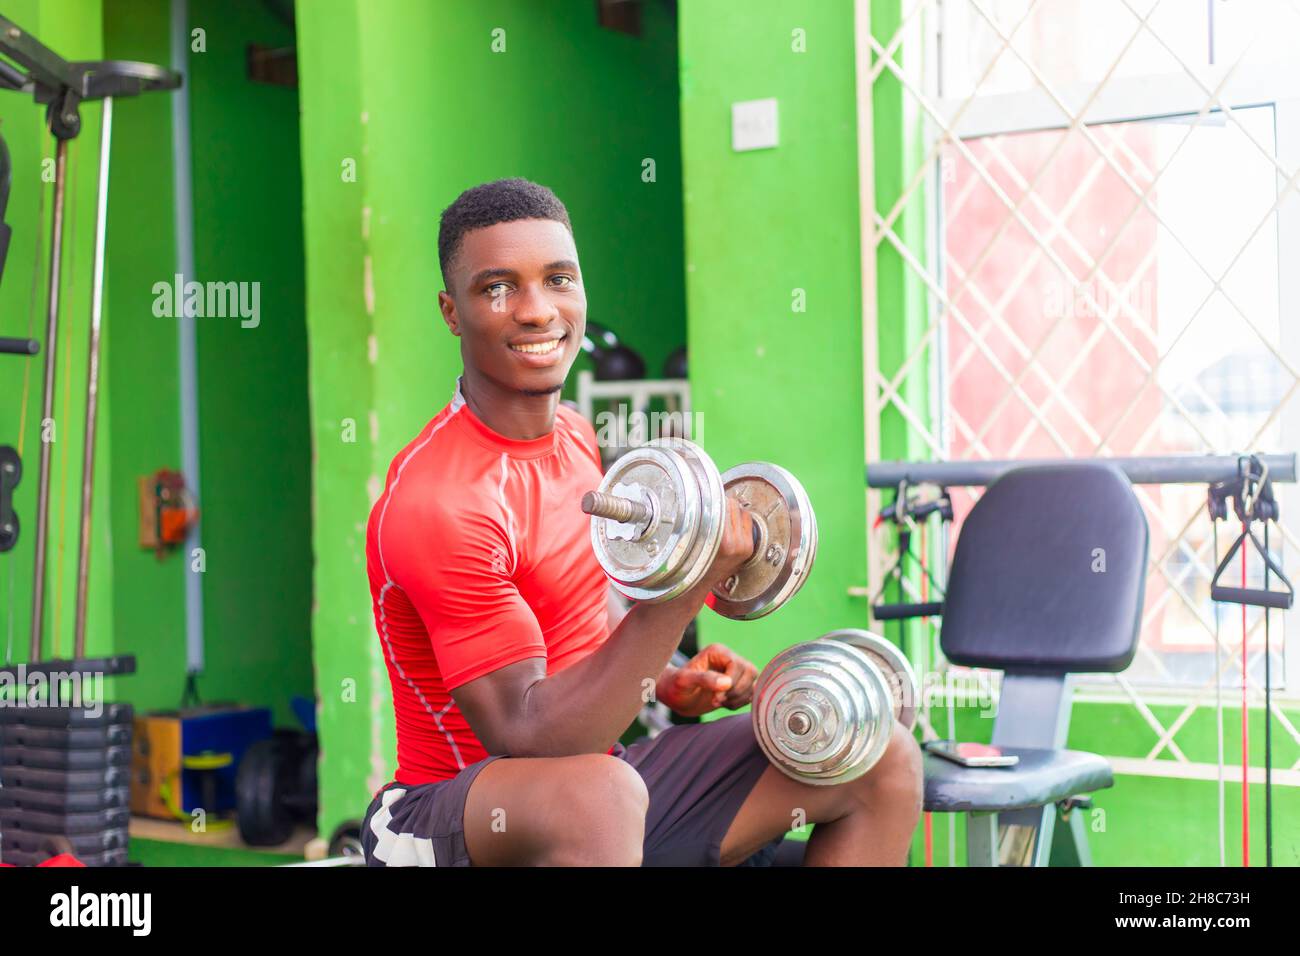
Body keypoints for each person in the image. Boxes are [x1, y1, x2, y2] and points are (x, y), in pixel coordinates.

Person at [360, 178, 922, 866]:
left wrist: (663, 677)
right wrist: (697, 576)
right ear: (452, 311)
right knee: (598, 793)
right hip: (450, 818)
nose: (537, 311)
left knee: (871, 749)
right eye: (498, 288)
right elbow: (526, 736)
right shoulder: (439, 500)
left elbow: (581, 630)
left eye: (558, 279)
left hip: (599, 785)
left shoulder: (573, 438)